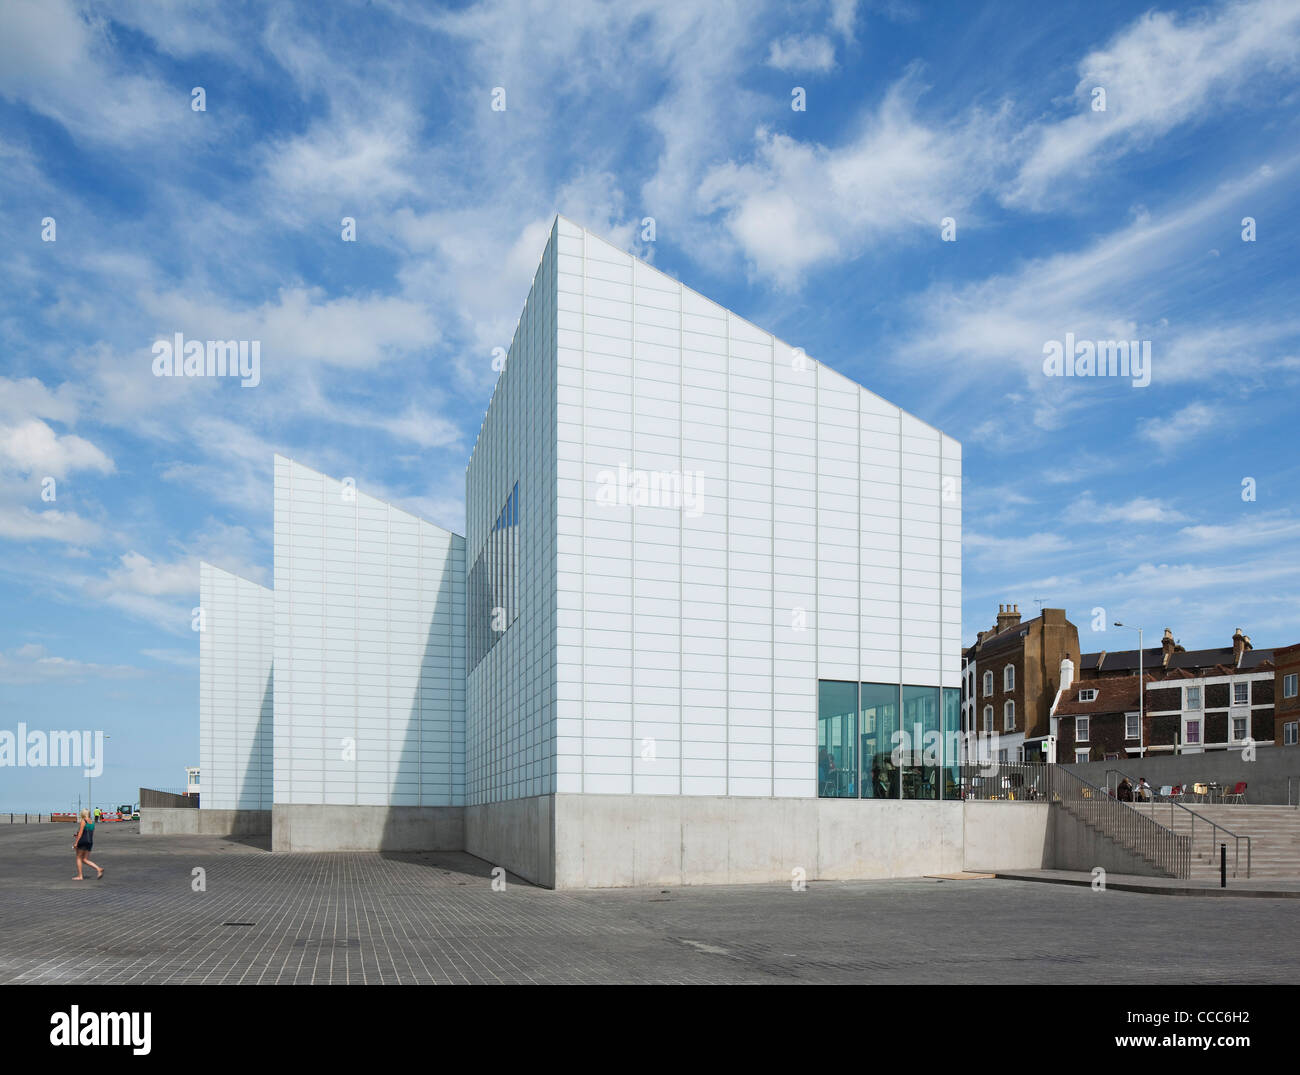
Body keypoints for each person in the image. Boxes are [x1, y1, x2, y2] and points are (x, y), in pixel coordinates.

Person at [72, 809, 103, 881]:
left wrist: (76, 843)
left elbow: (80, 833)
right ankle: (98, 868)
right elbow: (90, 833)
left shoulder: (83, 821)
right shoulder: (92, 822)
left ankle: (80, 876)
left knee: (79, 858)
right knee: (85, 859)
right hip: (90, 842)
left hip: (82, 841)